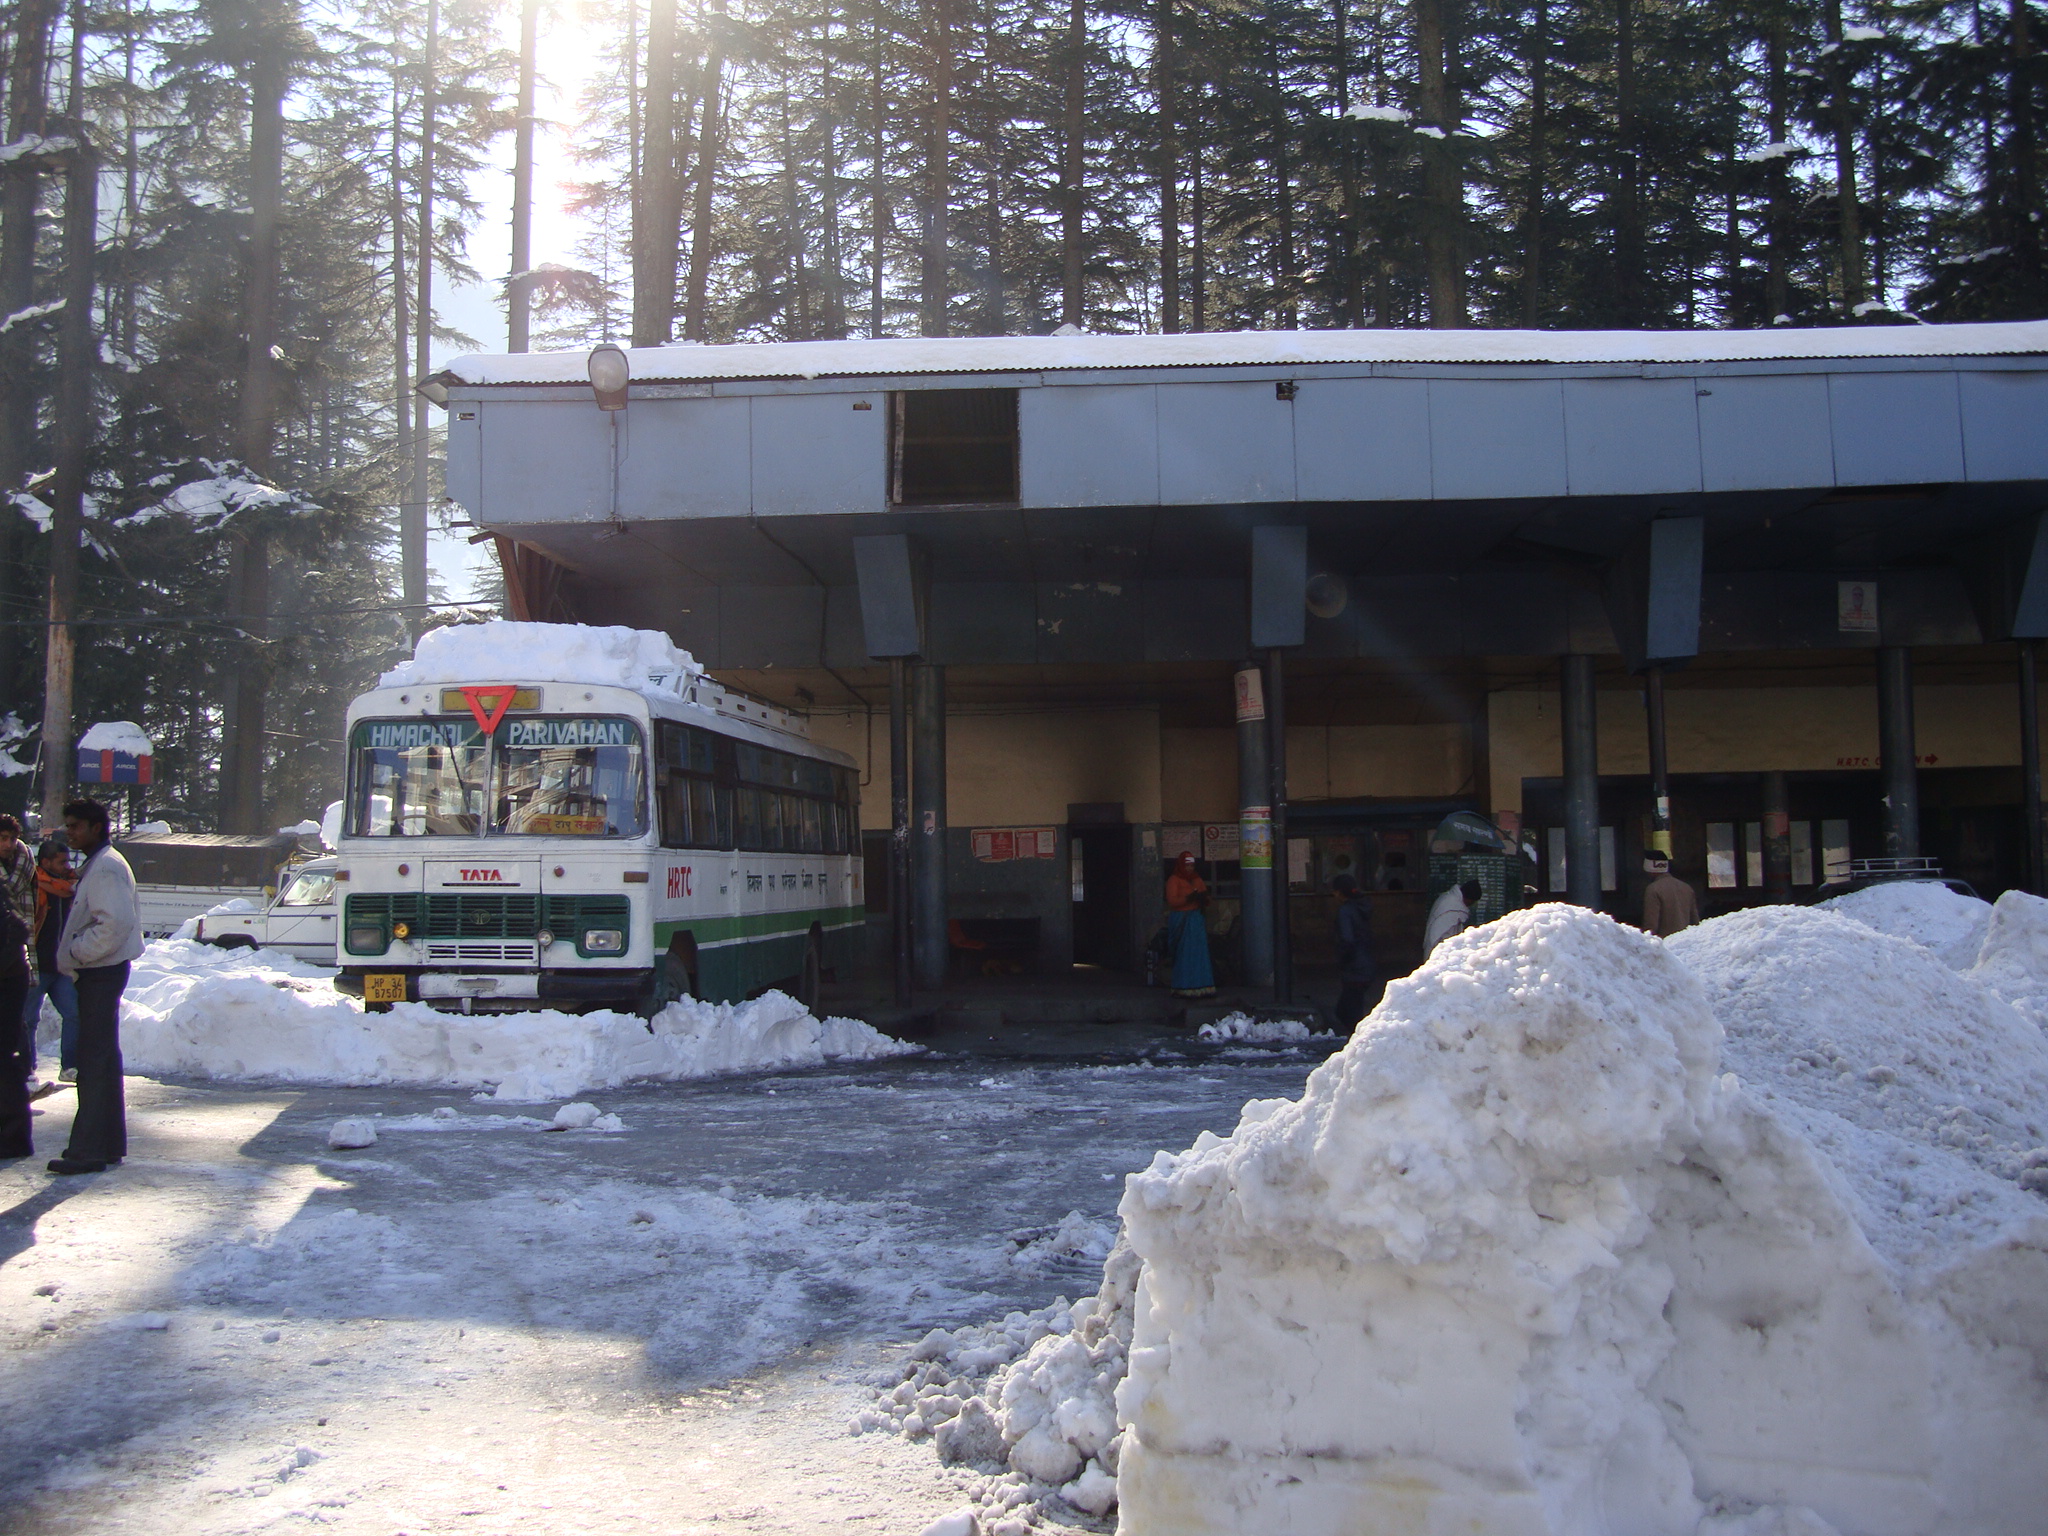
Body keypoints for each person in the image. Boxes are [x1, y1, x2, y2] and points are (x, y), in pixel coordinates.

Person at [48, 798, 143, 1175]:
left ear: (96, 827)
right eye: (68, 825)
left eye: (76, 826)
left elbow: (115, 923)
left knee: (93, 1060)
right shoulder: (101, 863)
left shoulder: (105, 867)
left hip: (101, 972)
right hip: (101, 971)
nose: (69, 832)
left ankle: (88, 1150)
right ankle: (104, 1144)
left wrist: (76, 951)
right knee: (100, 1060)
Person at [26, 837, 78, 1090]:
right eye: (61, 861)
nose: (67, 866)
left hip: (62, 965)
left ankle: (70, 1066)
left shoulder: (69, 888)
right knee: (28, 1019)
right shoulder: (34, 886)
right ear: (45, 862)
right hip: (37, 963)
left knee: (74, 1013)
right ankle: (27, 1071)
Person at [0, 864, 32, 1158]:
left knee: (3, 1058)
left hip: (8, 979)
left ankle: (13, 1137)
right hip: (11, 973)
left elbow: (13, 938)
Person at [1163, 852, 1216, 1000]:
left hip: (1196, 920)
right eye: (1187, 866)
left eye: (1192, 865)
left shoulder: (1196, 879)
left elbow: (1207, 897)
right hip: (1182, 920)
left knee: (1199, 954)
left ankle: (1203, 986)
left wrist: (1204, 899)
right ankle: (1183, 986)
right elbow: (1172, 901)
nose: (1190, 869)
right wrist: (1189, 898)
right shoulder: (1174, 880)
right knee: (1184, 953)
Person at [1331, 874, 1377, 1032]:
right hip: (1366, 962)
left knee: (1346, 1012)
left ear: (1339, 893)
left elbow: (1347, 939)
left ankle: (1358, 1041)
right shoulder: (1362, 907)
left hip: (1354, 966)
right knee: (1353, 1007)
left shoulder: (1345, 911)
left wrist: (1342, 960)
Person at [1642, 855, 1700, 938]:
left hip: (1665, 943)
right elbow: (1695, 921)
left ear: (1648, 869)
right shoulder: (1686, 887)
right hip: (1686, 942)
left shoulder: (1653, 889)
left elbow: (1651, 925)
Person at [1424, 879, 1484, 954]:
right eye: (1472, 901)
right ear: (1468, 899)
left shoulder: (1448, 899)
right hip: (1440, 952)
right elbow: (1443, 937)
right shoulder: (1452, 910)